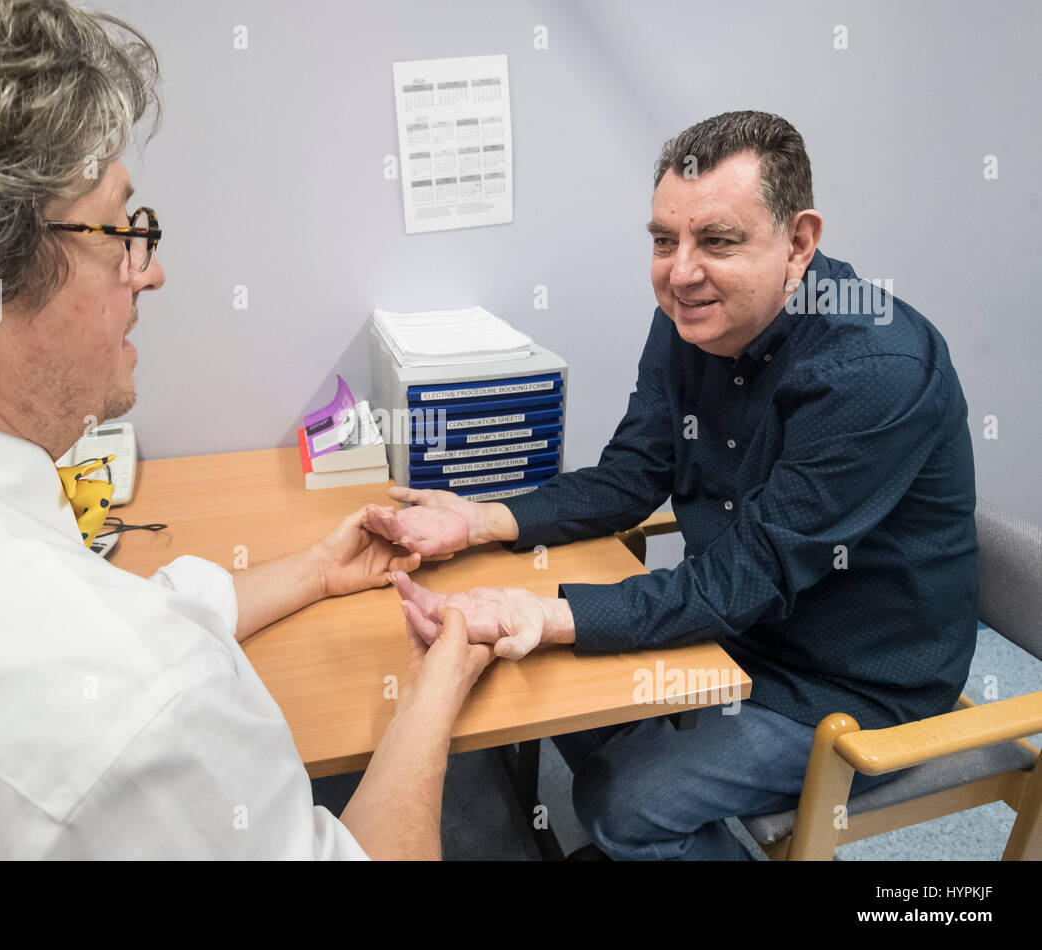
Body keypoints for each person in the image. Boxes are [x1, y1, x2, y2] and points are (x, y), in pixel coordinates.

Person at [0, 0, 493, 860]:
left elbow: (109, 628)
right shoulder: (142, 711)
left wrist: (313, 573)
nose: (152, 270)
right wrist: (438, 685)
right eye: (114, 229)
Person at [363, 110, 978, 860]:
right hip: (738, 625)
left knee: (620, 801)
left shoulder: (874, 371)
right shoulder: (699, 314)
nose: (678, 272)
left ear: (799, 241)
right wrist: (481, 520)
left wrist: (547, 612)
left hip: (849, 680)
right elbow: (633, 475)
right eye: (663, 240)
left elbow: (747, 576)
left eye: (717, 241)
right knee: (535, 694)